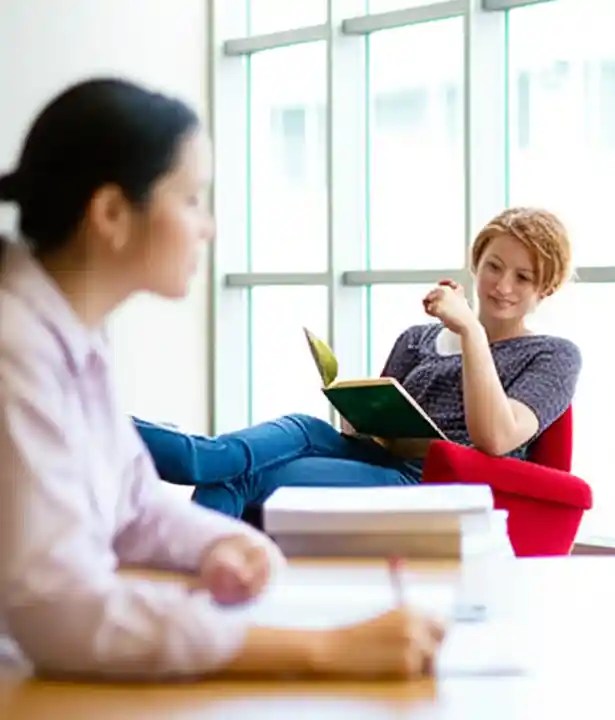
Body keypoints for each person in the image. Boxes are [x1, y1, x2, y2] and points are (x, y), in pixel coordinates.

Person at [0, 78, 443, 680]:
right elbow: (59, 610)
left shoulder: (74, 333)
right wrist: (318, 650)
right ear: (109, 214)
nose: (206, 227)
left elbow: (133, 506)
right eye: (191, 199)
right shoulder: (16, 347)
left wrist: (220, 543)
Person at [134, 206, 581, 520]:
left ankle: (192, 605)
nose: (502, 285)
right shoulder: (418, 337)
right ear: (475, 265)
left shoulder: (553, 356)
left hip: (428, 483)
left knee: (234, 479)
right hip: (375, 459)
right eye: (493, 267)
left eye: (523, 277)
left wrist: (471, 332)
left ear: (546, 290)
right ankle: (150, 441)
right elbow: (361, 435)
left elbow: (497, 437)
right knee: (278, 435)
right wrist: (359, 405)